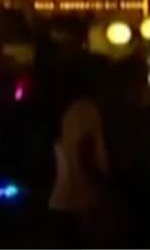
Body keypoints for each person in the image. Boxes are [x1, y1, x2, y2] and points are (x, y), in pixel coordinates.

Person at [49, 53, 111, 247]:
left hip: (71, 200)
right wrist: (106, 188)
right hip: (79, 201)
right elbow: (85, 155)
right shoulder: (84, 109)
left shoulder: (73, 109)